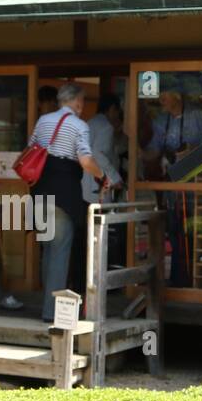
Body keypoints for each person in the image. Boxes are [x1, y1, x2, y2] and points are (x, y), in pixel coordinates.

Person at [28, 82, 107, 321]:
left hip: (40, 191)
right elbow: (84, 160)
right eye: (81, 101)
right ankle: (51, 313)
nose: (82, 106)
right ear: (77, 102)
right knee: (60, 251)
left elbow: (31, 148)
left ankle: (46, 306)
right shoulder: (79, 125)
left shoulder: (43, 121)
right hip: (64, 193)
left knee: (48, 249)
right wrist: (102, 176)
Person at [142, 90, 202, 287]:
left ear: (178, 95)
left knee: (198, 232)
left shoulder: (199, 117)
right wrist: (140, 154)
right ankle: (178, 281)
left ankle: (201, 283)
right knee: (175, 232)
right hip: (172, 188)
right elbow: (153, 149)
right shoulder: (161, 121)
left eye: (164, 94)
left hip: (198, 188)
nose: (161, 100)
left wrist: (193, 152)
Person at [77, 95, 125, 287]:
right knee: (97, 238)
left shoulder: (90, 123)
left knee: (84, 238)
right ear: (111, 108)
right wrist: (115, 177)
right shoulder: (105, 127)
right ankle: (96, 282)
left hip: (83, 185)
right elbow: (98, 154)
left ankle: (82, 282)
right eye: (117, 110)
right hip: (95, 187)